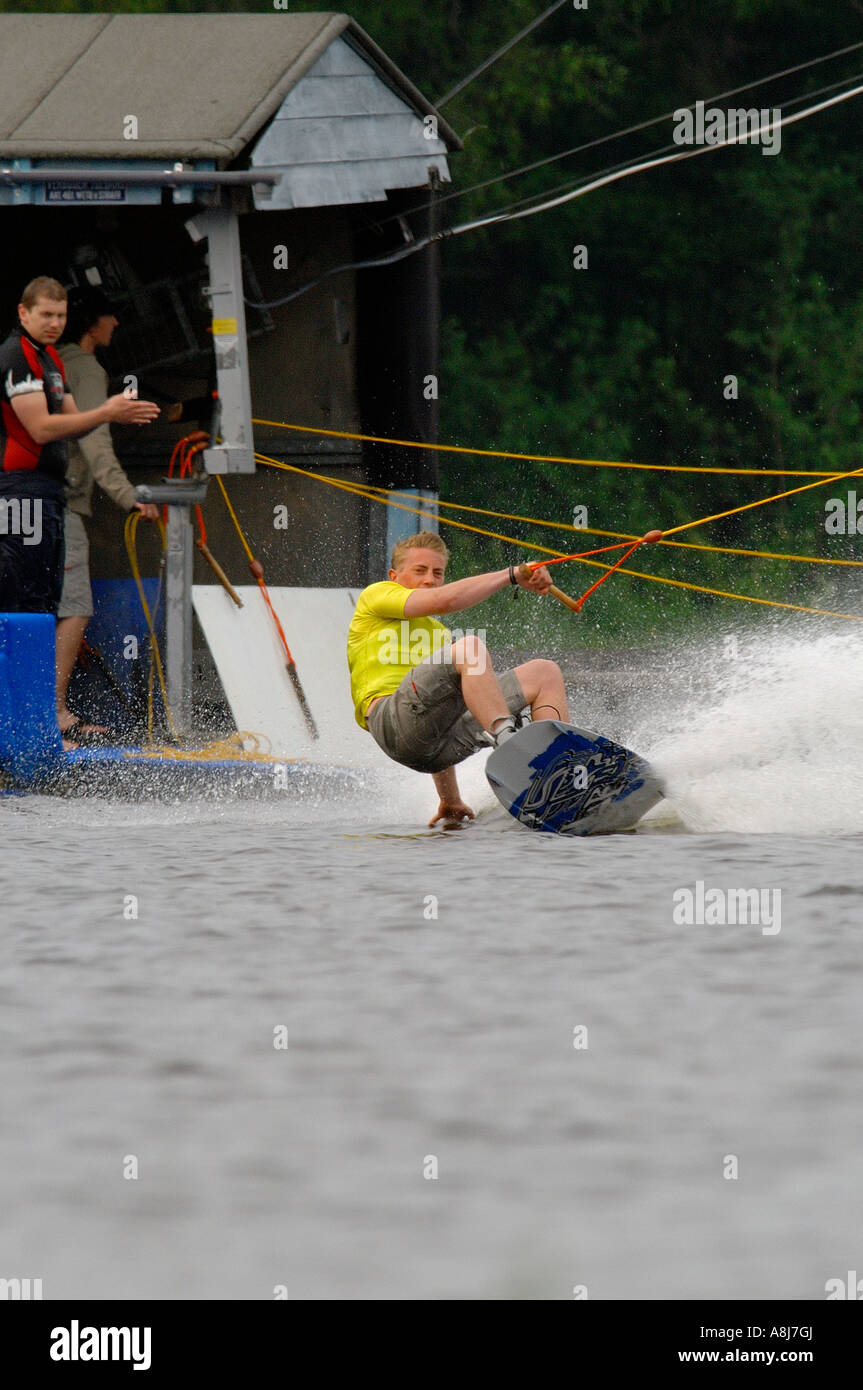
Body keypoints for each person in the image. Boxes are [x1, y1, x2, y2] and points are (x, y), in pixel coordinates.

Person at [0, 276, 159, 749]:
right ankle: (33, 724)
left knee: (44, 605)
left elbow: (78, 420)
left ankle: (38, 724)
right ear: (24, 313)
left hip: (47, 493)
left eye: (60, 315)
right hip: (20, 493)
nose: (53, 323)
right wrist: (106, 413)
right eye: (45, 315)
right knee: (27, 607)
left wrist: (110, 414)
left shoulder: (52, 361)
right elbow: (44, 426)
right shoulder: (17, 355)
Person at [347, 530, 571, 827]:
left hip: (438, 747)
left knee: (545, 672)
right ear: (393, 577)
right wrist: (512, 575)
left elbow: (441, 711)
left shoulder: (440, 636)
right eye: (420, 571)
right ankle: (510, 744)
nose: (429, 579)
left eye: (437, 573)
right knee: (470, 646)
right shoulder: (374, 597)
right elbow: (444, 601)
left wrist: (449, 800)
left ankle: (561, 772)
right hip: (391, 723)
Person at [56, 289, 159, 743]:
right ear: (91, 324)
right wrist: (128, 495)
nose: (116, 324)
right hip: (59, 503)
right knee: (75, 606)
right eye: (110, 317)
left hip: (30, 501)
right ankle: (54, 713)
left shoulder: (44, 363)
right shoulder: (85, 366)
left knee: (33, 606)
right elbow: (94, 442)